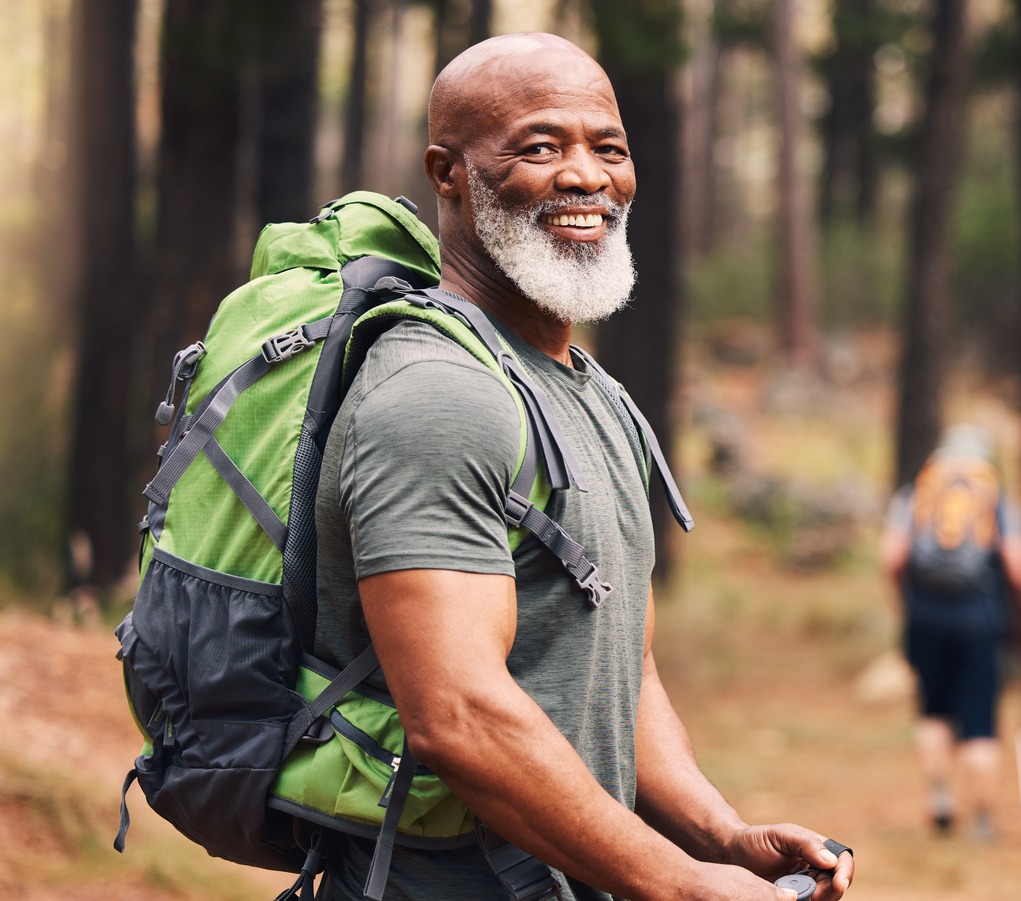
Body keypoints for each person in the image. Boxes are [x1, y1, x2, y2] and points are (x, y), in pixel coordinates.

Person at [312, 33, 855, 900]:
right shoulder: (436, 395)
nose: (585, 176)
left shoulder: (589, 393)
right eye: (539, 146)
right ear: (447, 172)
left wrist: (721, 836)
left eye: (608, 147)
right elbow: (458, 716)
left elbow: (614, 670)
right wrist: (677, 884)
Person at [878, 426, 1021, 840]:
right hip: (981, 622)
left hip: (926, 619)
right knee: (979, 723)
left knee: (933, 711)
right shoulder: (996, 497)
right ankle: (981, 820)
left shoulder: (916, 493)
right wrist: (1019, 616)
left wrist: (907, 605)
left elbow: (892, 558)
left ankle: (940, 800)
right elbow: (1019, 567)